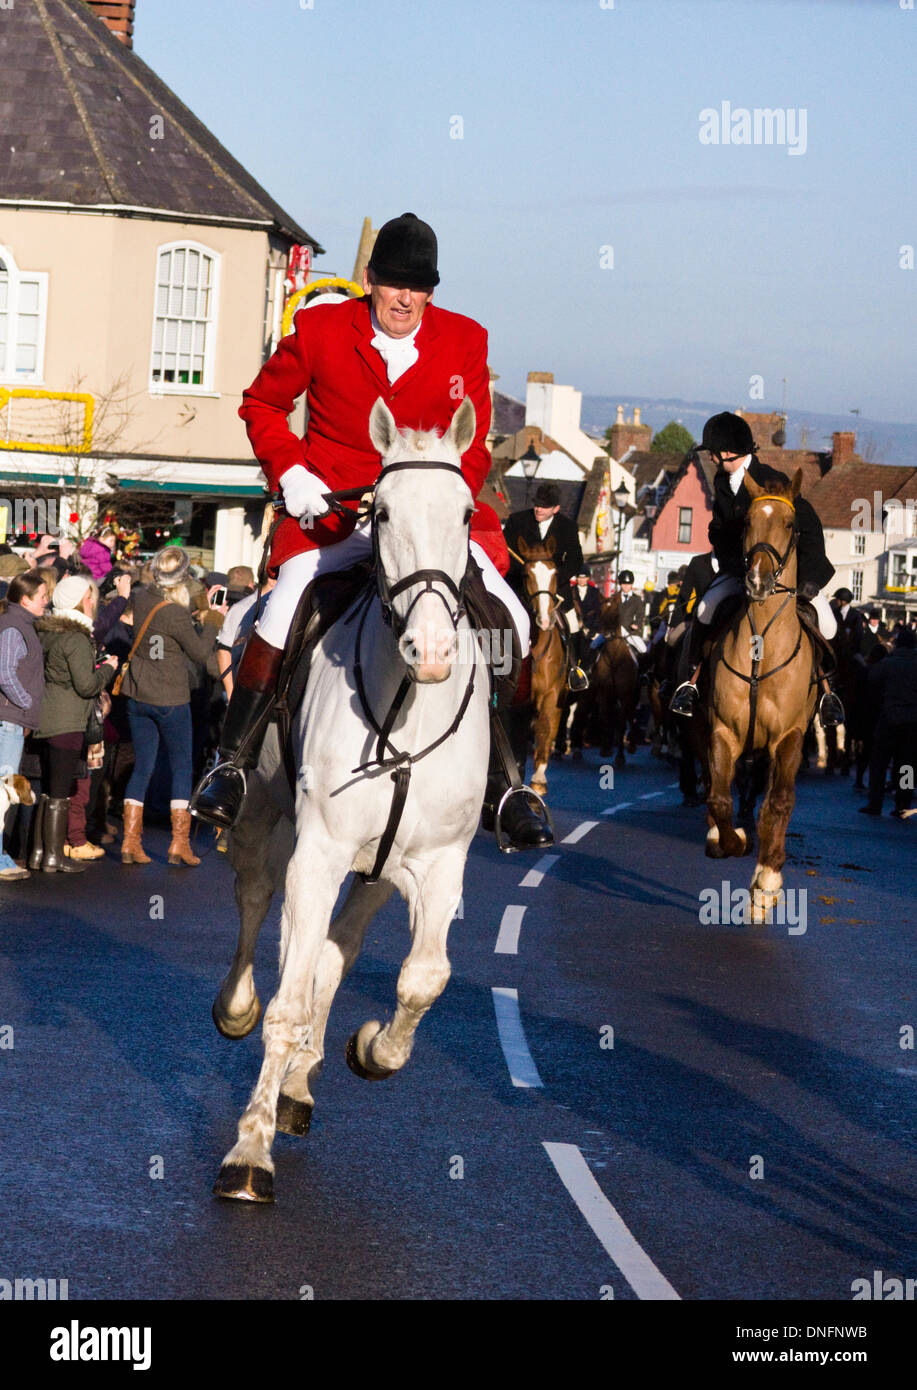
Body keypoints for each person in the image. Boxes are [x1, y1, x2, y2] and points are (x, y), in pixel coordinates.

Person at [191, 212, 550, 850]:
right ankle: (233, 763)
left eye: (419, 287)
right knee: (284, 608)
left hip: (427, 528)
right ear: (370, 279)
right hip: (338, 517)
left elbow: (473, 448)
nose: (405, 299)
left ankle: (507, 779)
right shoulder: (323, 328)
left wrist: (438, 498)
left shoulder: (466, 341)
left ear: (432, 291)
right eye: (393, 284)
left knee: (513, 622)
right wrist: (294, 474)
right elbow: (261, 404)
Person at [670, 412, 842, 725]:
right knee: (705, 609)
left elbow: (811, 531)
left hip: (792, 577)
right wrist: (738, 568)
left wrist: (809, 581)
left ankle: (829, 693)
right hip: (742, 573)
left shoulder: (772, 481)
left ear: (726, 452)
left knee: (828, 625)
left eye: (712, 450)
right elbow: (719, 533)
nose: (709, 455)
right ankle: (692, 683)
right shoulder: (723, 483)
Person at [118, 546, 224, 866]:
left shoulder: (141, 597)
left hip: (138, 694)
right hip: (170, 698)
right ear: (183, 576)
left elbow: (166, 610)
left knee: (143, 766)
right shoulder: (176, 614)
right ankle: (179, 845)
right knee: (181, 767)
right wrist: (215, 619)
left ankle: (130, 842)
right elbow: (199, 652)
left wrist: (200, 601)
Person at [31, 575, 118, 874]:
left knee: (47, 786)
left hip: (44, 717)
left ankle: (40, 852)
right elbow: (86, 685)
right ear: (81, 600)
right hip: (68, 720)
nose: (94, 602)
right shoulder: (77, 637)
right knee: (59, 790)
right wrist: (109, 668)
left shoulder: (46, 631)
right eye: (90, 597)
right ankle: (54, 856)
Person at [0, 570, 48, 880]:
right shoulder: (13, 627)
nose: (47, 601)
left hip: (11, 719)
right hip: (7, 720)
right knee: (2, 795)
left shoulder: (20, 623)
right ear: (25, 599)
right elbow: (5, 673)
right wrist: (26, 703)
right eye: (42, 596)